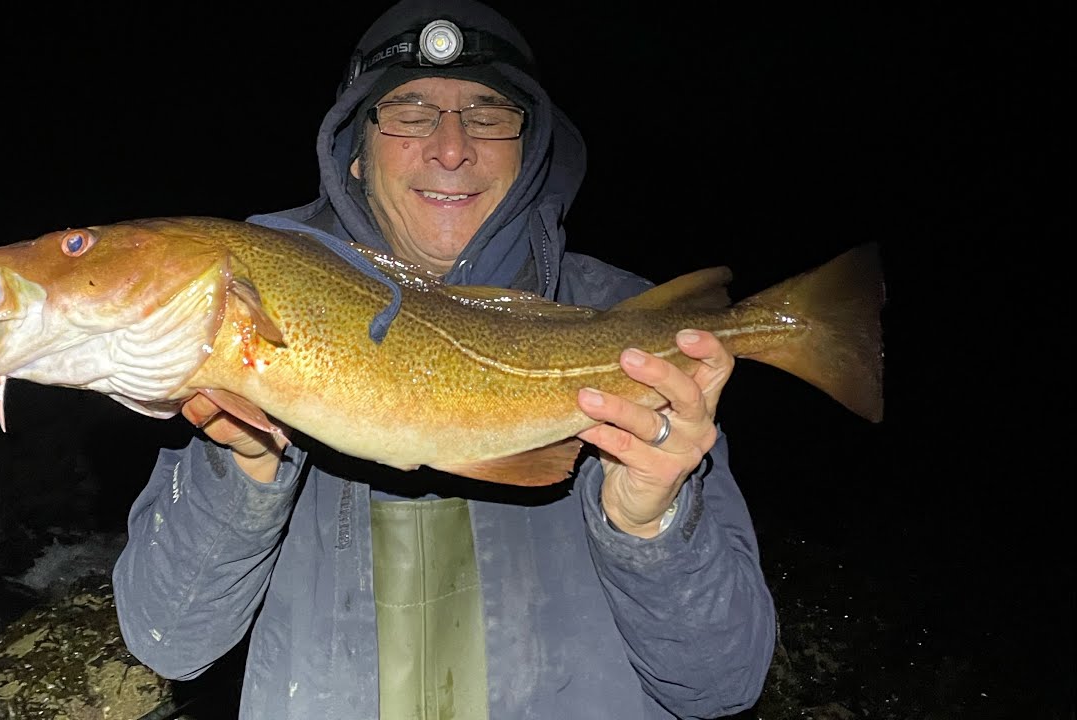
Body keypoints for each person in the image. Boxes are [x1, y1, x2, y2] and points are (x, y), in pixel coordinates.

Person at [113, 1, 776, 717]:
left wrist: (650, 525)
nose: (452, 147)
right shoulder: (262, 309)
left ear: (532, 148)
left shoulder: (623, 327)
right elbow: (169, 641)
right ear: (356, 152)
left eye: (489, 114)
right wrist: (243, 467)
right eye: (410, 112)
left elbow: (722, 687)